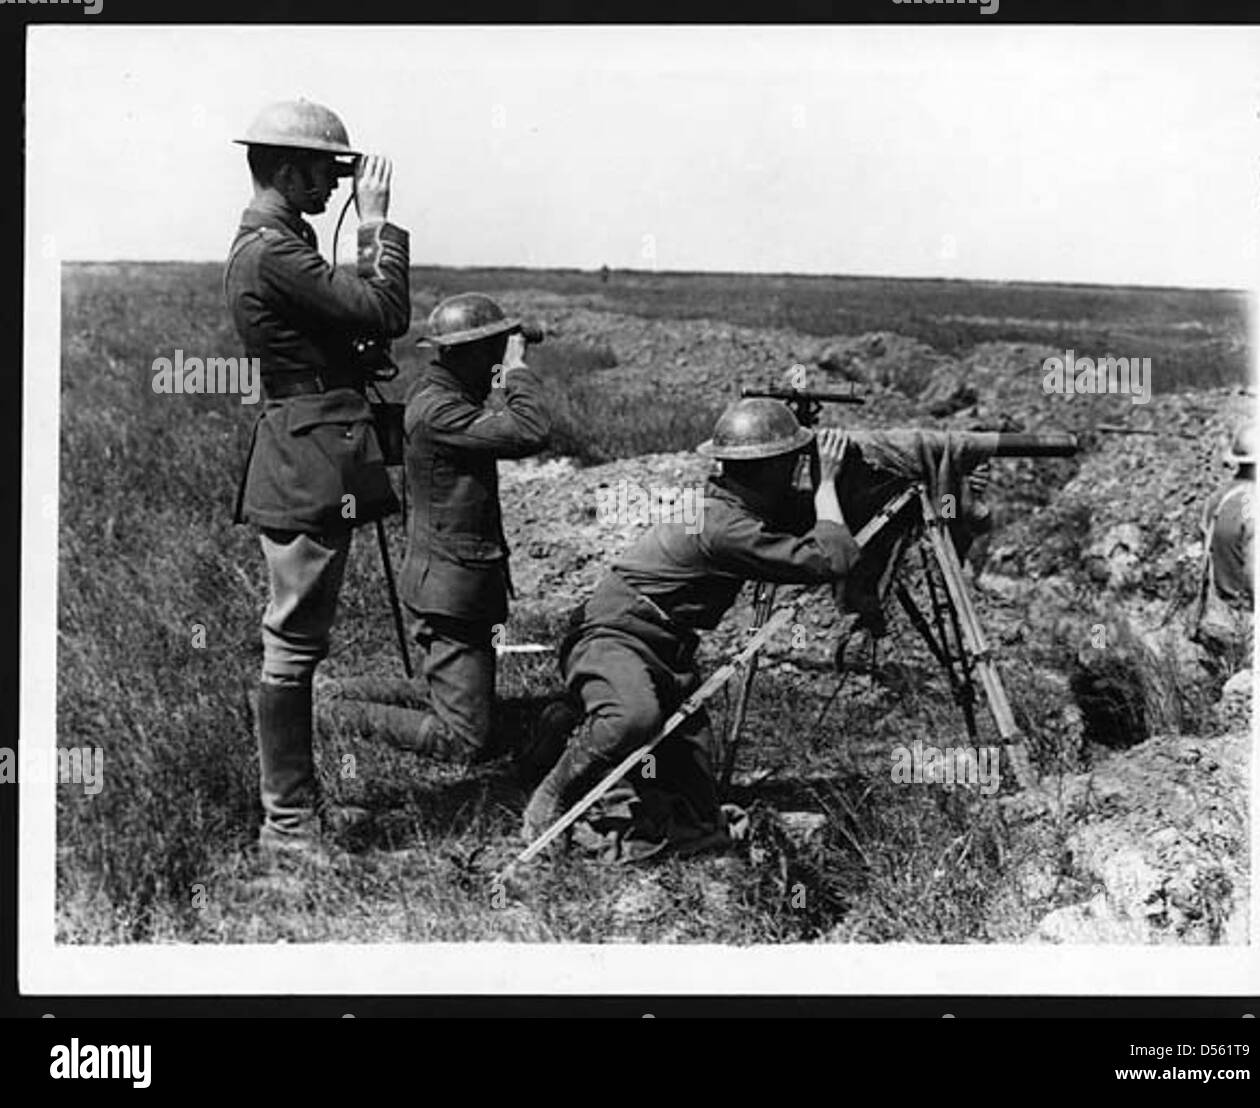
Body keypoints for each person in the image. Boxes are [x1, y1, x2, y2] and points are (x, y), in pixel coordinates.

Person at [522, 398, 859, 863]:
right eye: (790, 463)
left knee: (699, 805)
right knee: (633, 719)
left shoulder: (731, 503)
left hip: (663, 653)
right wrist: (826, 487)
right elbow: (833, 559)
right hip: (612, 637)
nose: (796, 472)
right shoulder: (723, 527)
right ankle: (551, 796)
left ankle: (570, 725)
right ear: (771, 469)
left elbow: (805, 524)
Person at [225, 99, 410, 859]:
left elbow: (348, 325)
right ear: (286, 168)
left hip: (311, 447)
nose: (337, 185)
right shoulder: (273, 251)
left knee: (297, 638)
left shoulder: (280, 242)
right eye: (326, 172)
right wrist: (376, 227)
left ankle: (292, 817)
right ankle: (289, 828)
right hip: (306, 458)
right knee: (293, 642)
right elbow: (386, 310)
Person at [319, 293, 551, 764]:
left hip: (453, 582)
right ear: (469, 353)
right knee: (466, 741)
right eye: (492, 351)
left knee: (444, 689)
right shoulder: (439, 410)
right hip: (452, 589)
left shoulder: (445, 395)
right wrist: (517, 370)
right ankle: (328, 713)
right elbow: (531, 431)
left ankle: (330, 689)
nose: (497, 364)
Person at [1193, 422, 1255, 671]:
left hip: (1217, 616)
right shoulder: (1258, 502)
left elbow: (1207, 552)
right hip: (1246, 622)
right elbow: (1254, 575)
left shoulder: (1216, 499)